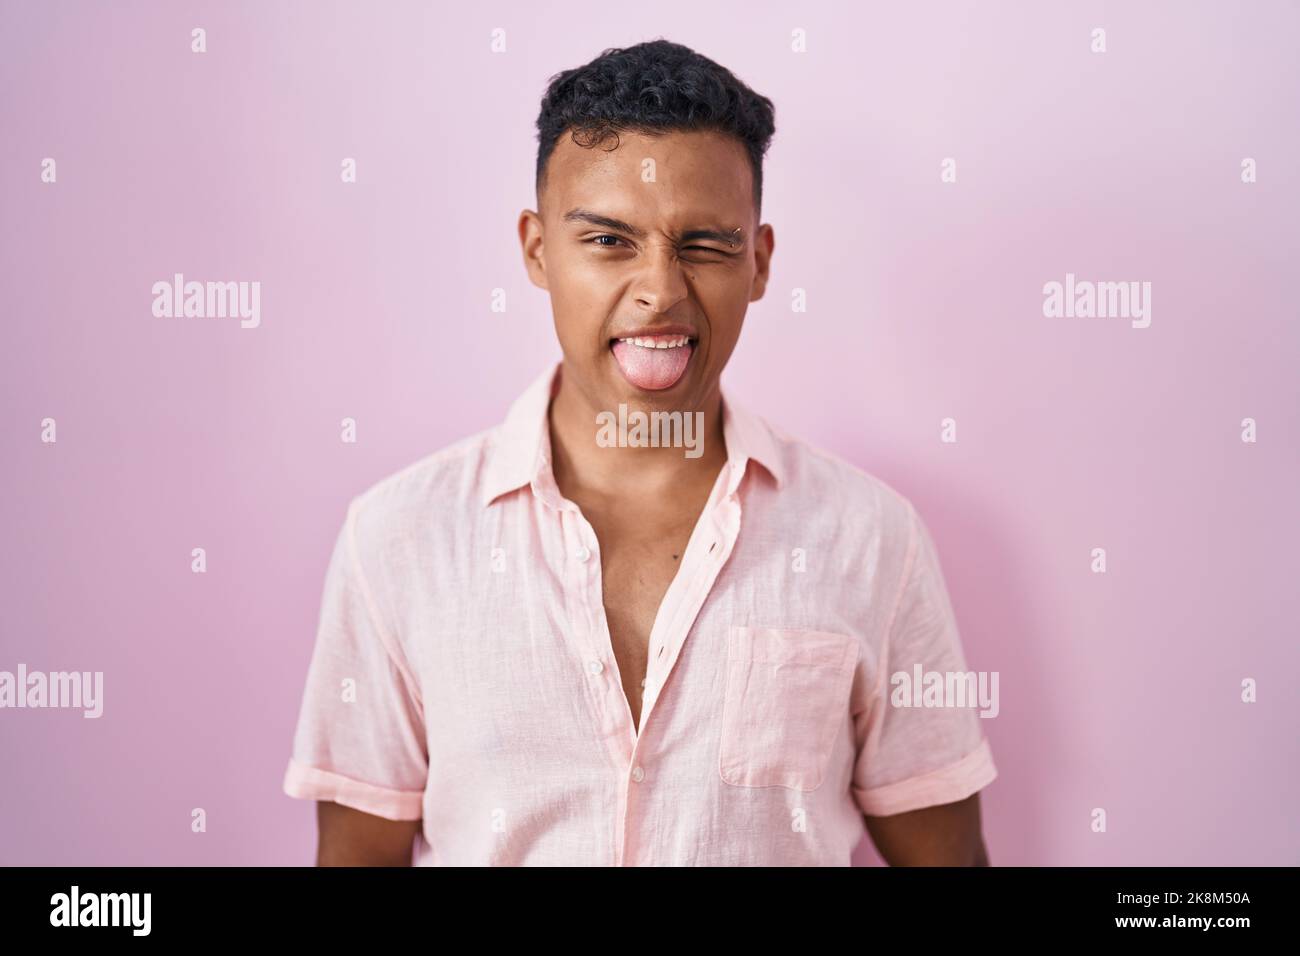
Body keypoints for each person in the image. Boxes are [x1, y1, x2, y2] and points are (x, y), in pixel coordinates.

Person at [282, 38, 997, 866]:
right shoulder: (397, 538)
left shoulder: (873, 537)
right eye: (610, 241)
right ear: (538, 250)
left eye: (704, 245)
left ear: (759, 263)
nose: (660, 289)